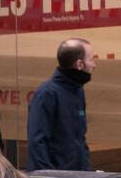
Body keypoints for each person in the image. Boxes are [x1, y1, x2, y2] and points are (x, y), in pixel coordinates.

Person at [27, 37, 95, 171]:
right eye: (91, 59)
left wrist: (86, 170)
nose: (94, 64)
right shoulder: (46, 94)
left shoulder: (78, 91)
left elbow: (79, 138)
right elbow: (37, 142)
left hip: (77, 177)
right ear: (80, 64)